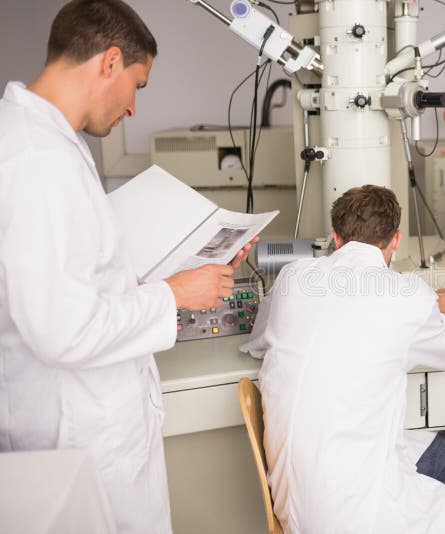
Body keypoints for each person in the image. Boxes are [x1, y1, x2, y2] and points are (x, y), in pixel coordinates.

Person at [0, 1, 255, 532]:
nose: (135, 109)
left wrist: (195, 266)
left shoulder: (51, 144)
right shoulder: (35, 161)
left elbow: (85, 279)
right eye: (139, 85)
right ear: (110, 62)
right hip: (81, 434)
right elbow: (60, 330)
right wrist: (175, 295)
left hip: (96, 423)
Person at [241, 185, 445, 533]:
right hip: (358, 517)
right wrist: (442, 312)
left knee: (438, 451)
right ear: (396, 240)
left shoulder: (293, 276)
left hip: (291, 507)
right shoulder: (408, 294)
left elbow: (257, 344)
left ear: (336, 237)